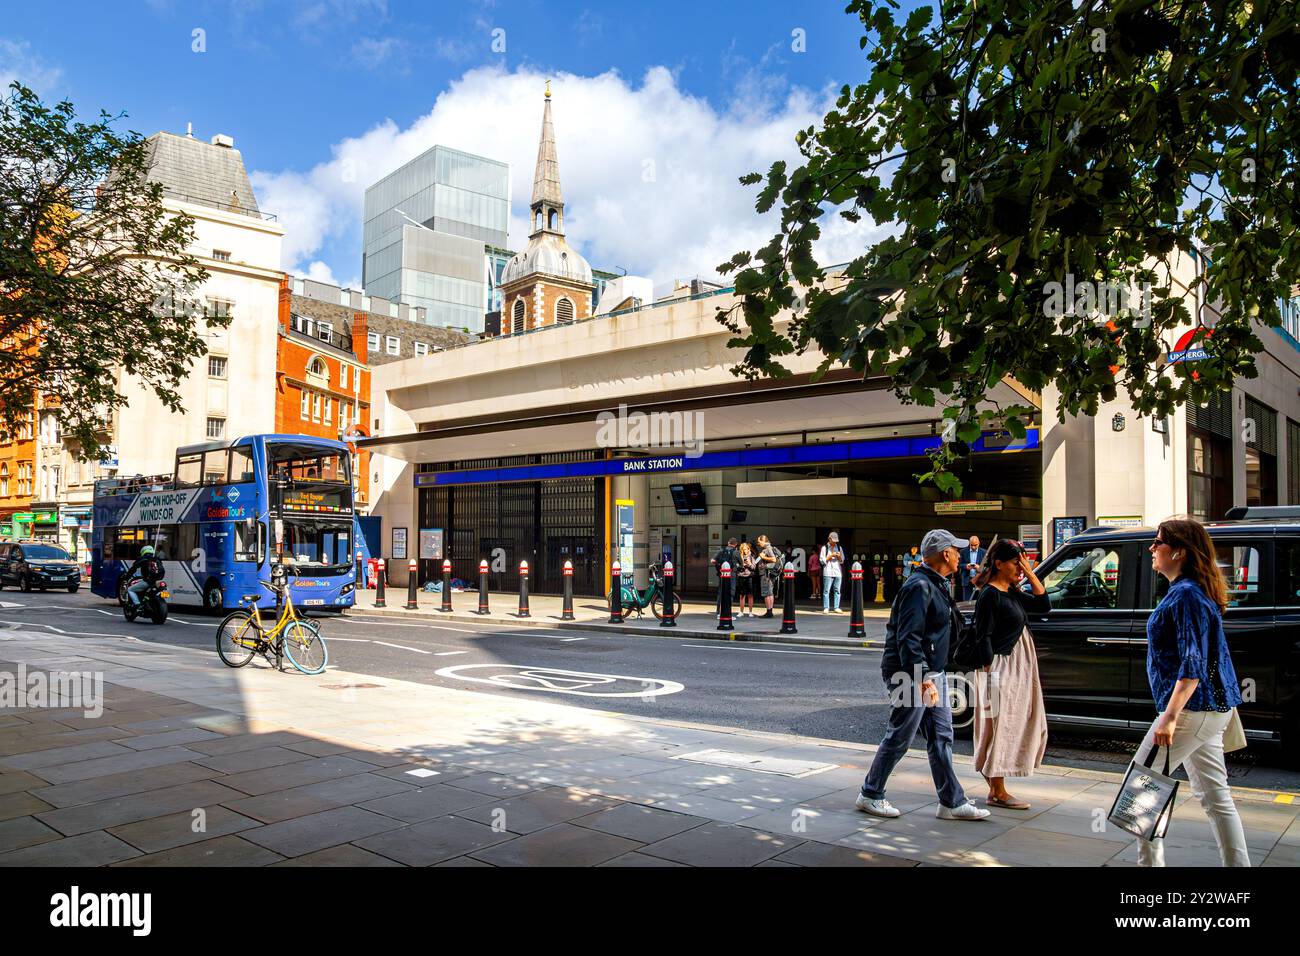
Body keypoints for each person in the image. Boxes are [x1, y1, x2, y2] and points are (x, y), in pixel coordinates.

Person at [856, 528, 991, 821]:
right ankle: (870, 793)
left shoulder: (936, 583)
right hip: (910, 673)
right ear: (945, 554)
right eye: (956, 550)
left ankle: (951, 802)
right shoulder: (919, 586)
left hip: (931, 672)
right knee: (901, 735)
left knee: (942, 735)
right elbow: (909, 638)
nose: (960, 554)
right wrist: (923, 678)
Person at [1136, 518, 1249, 866]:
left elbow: (1193, 665)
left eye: (1158, 542)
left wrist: (1168, 719)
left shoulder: (1186, 595)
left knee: (1142, 791)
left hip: (1191, 711)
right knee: (1216, 799)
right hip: (1212, 711)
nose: (1152, 548)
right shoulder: (1191, 591)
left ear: (1179, 551)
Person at [970, 539, 1050, 809]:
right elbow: (983, 637)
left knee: (1017, 723)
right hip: (1002, 667)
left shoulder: (1012, 592)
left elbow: (1043, 605)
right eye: (1016, 562)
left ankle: (996, 788)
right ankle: (997, 791)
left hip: (1021, 666)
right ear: (999, 563)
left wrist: (1029, 572)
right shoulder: (990, 594)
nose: (1020, 566)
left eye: (1022, 562)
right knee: (1001, 726)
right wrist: (990, 672)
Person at [714, 537, 741, 618]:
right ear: (735, 544)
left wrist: (721, 565)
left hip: (722, 574)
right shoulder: (736, 552)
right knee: (731, 592)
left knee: (720, 592)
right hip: (731, 574)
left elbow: (713, 560)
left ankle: (719, 612)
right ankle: (727, 612)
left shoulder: (721, 551)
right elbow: (741, 563)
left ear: (728, 543)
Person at [754, 535, 780, 618]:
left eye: (759, 541)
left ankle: (769, 612)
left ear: (763, 541)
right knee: (770, 592)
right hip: (769, 573)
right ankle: (770, 611)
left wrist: (763, 556)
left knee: (766, 593)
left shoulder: (768, 548)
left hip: (766, 574)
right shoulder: (769, 548)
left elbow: (773, 559)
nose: (758, 543)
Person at [820, 532, 845, 612]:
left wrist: (839, 556)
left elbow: (842, 561)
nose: (834, 542)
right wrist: (830, 556)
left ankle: (836, 607)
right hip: (828, 571)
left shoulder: (839, 548)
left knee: (837, 590)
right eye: (833, 540)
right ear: (829, 539)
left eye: (835, 541)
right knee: (826, 590)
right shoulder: (824, 548)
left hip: (837, 571)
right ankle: (826, 607)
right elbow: (822, 561)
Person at [958, 535, 985, 601]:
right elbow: (958, 564)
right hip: (967, 580)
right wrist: (966, 566)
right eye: (971, 545)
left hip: (979, 580)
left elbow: (987, 566)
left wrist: (979, 567)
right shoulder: (963, 552)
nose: (973, 547)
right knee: (967, 602)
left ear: (979, 543)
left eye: (975, 545)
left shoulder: (984, 552)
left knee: (979, 601)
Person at [735, 541, 756, 617]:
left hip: (749, 577)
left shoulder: (752, 556)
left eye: (746, 549)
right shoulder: (739, 556)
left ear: (748, 549)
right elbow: (736, 566)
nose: (745, 551)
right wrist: (742, 565)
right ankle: (741, 612)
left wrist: (749, 564)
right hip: (741, 577)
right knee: (742, 595)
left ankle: (750, 612)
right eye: (743, 549)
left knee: (750, 595)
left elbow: (754, 567)